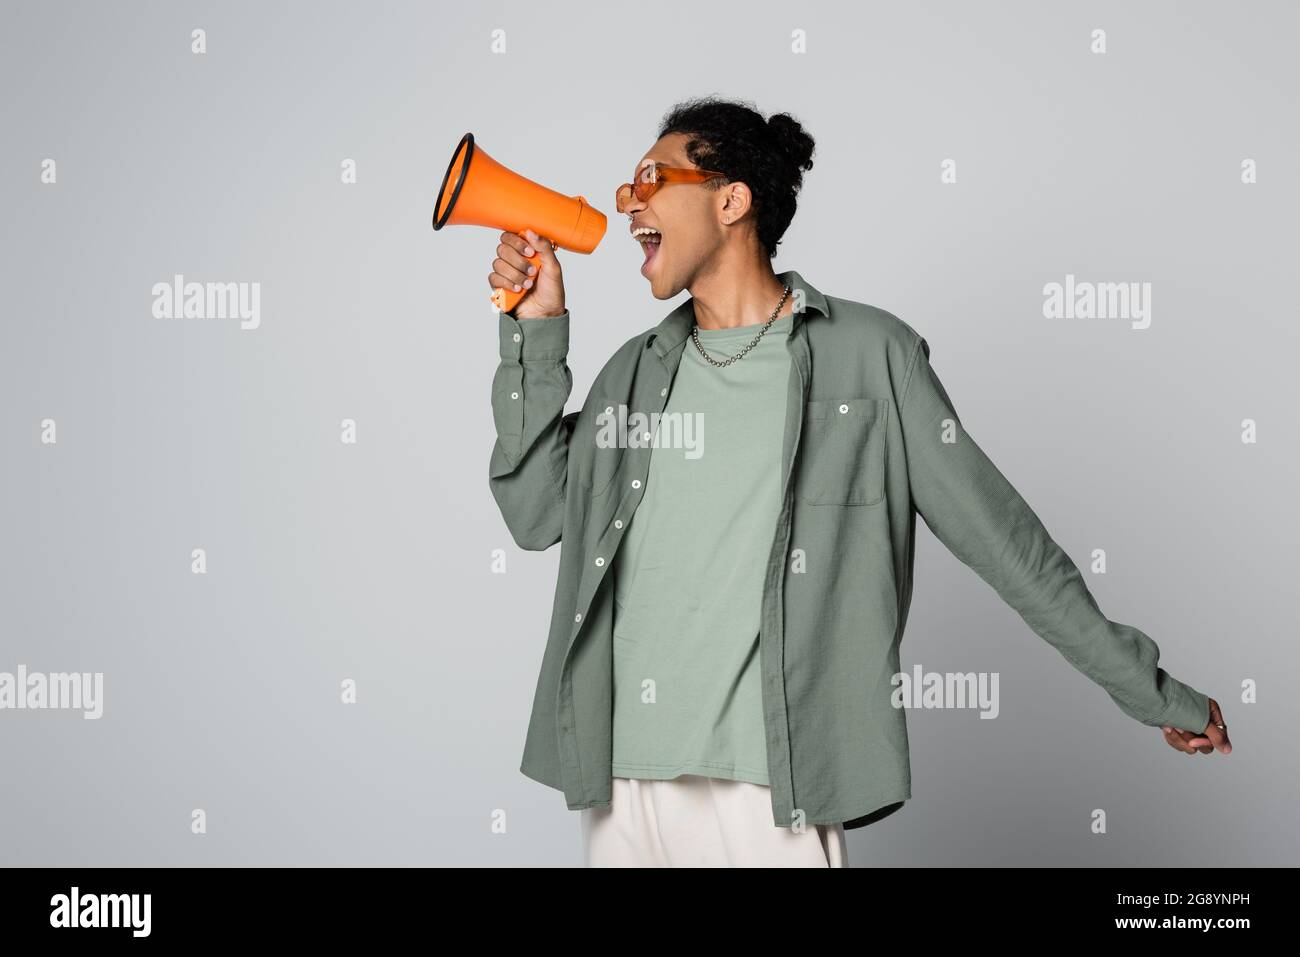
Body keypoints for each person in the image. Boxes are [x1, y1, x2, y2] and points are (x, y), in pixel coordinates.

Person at [485, 96, 1230, 868]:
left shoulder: (873, 359)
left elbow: (1010, 548)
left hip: (773, 788)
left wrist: (1151, 690)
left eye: (652, 179)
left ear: (731, 201)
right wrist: (535, 332)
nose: (627, 202)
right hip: (623, 786)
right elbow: (535, 513)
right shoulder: (632, 374)